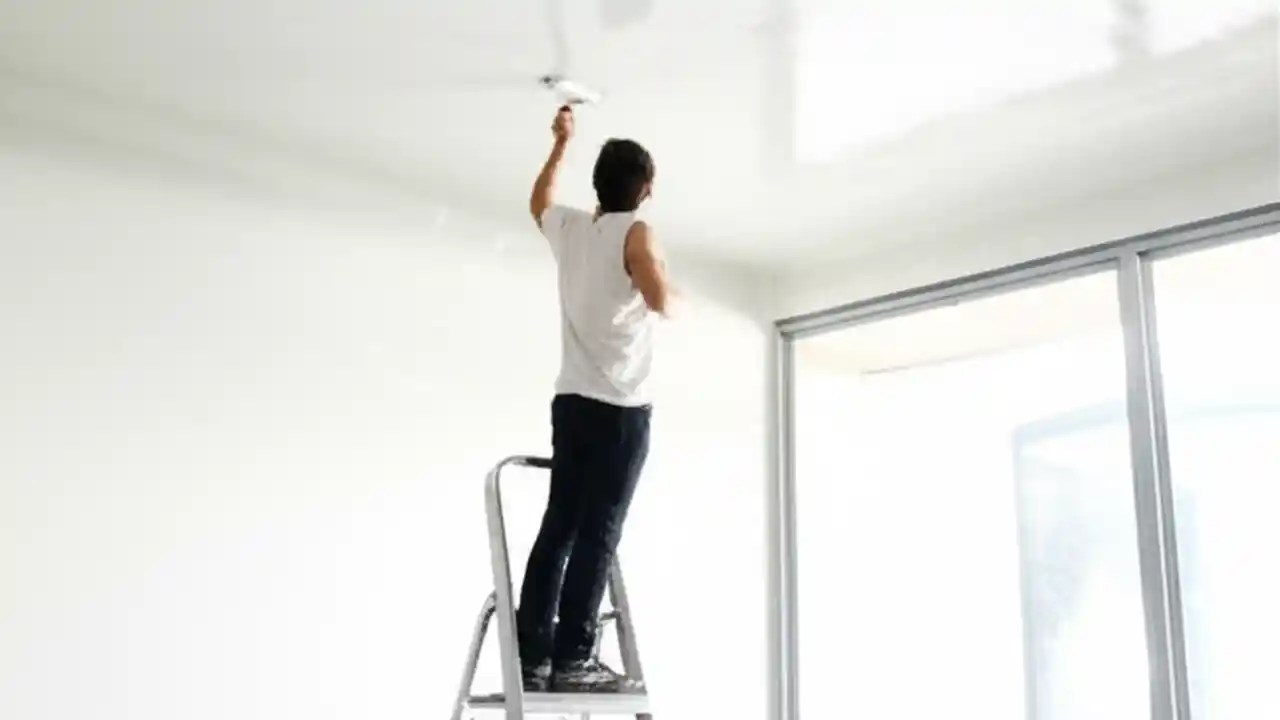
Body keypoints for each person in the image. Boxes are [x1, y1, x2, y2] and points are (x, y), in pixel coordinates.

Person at [515, 106, 671, 694]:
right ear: (646, 190)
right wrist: (679, 297)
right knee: (599, 532)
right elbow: (658, 298)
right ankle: (575, 656)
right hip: (620, 410)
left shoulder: (573, 229)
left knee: (559, 526)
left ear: (598, 185)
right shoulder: (637, 232)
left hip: (572, 402)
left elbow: (538, 202)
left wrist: (559, 143)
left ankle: (533, 655)